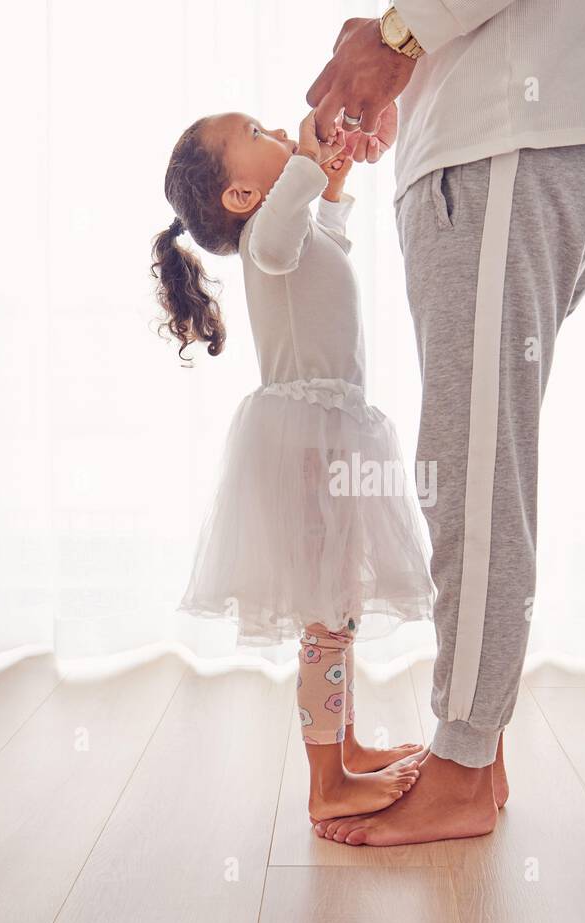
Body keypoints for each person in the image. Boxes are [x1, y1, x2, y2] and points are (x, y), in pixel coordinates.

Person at [306, 2, 585, 845]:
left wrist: (395, 38)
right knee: (476, 461)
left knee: (473, 473)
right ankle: (477, 755)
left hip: (498, 147)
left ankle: (463, 772)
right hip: (480, 150)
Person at [153, 110, 436, 822]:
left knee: (338, 609)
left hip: (334, 434)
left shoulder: (289, 233)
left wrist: (330, 177)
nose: (276, 127)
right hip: (309, 445)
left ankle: (345, 748)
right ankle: (325, 784)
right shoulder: (263, 242)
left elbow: (325, 240)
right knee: (324, 618)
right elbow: (287, 236)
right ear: (242, 199)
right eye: (255, 134)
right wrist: (309, 161)